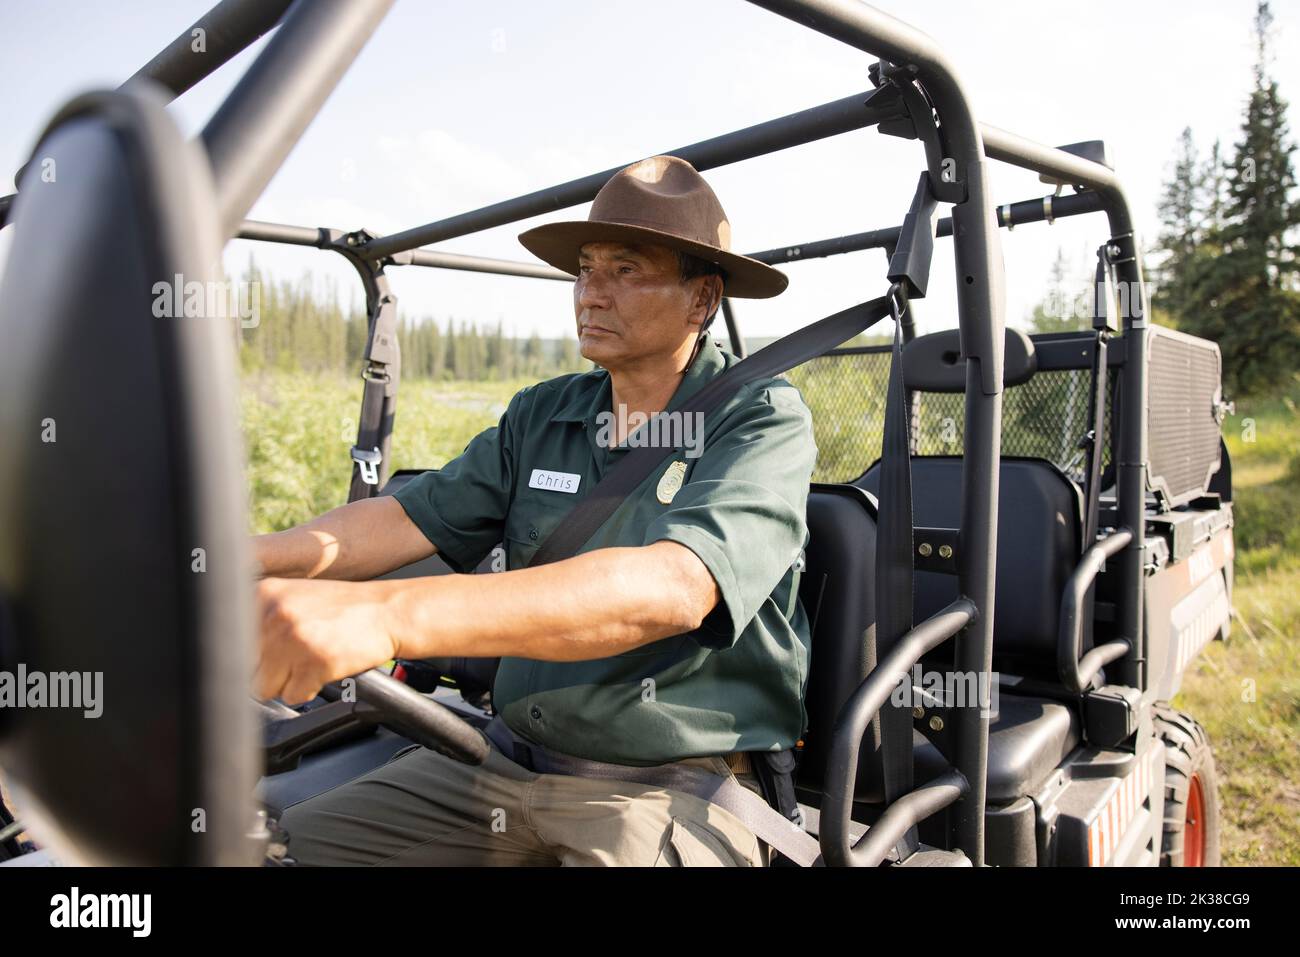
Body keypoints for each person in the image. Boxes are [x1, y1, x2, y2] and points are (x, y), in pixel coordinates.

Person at [255, 155, 817, 866]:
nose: (591, 294)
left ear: (701, 299)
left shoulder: (761, 417)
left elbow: (673, 587)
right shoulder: (544, 412)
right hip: (499, 765)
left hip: (665, 789)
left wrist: (386, 616)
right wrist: (249, 554)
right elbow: (405, 519)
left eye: (626, 270)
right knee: (266, 849)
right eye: (585, 269)